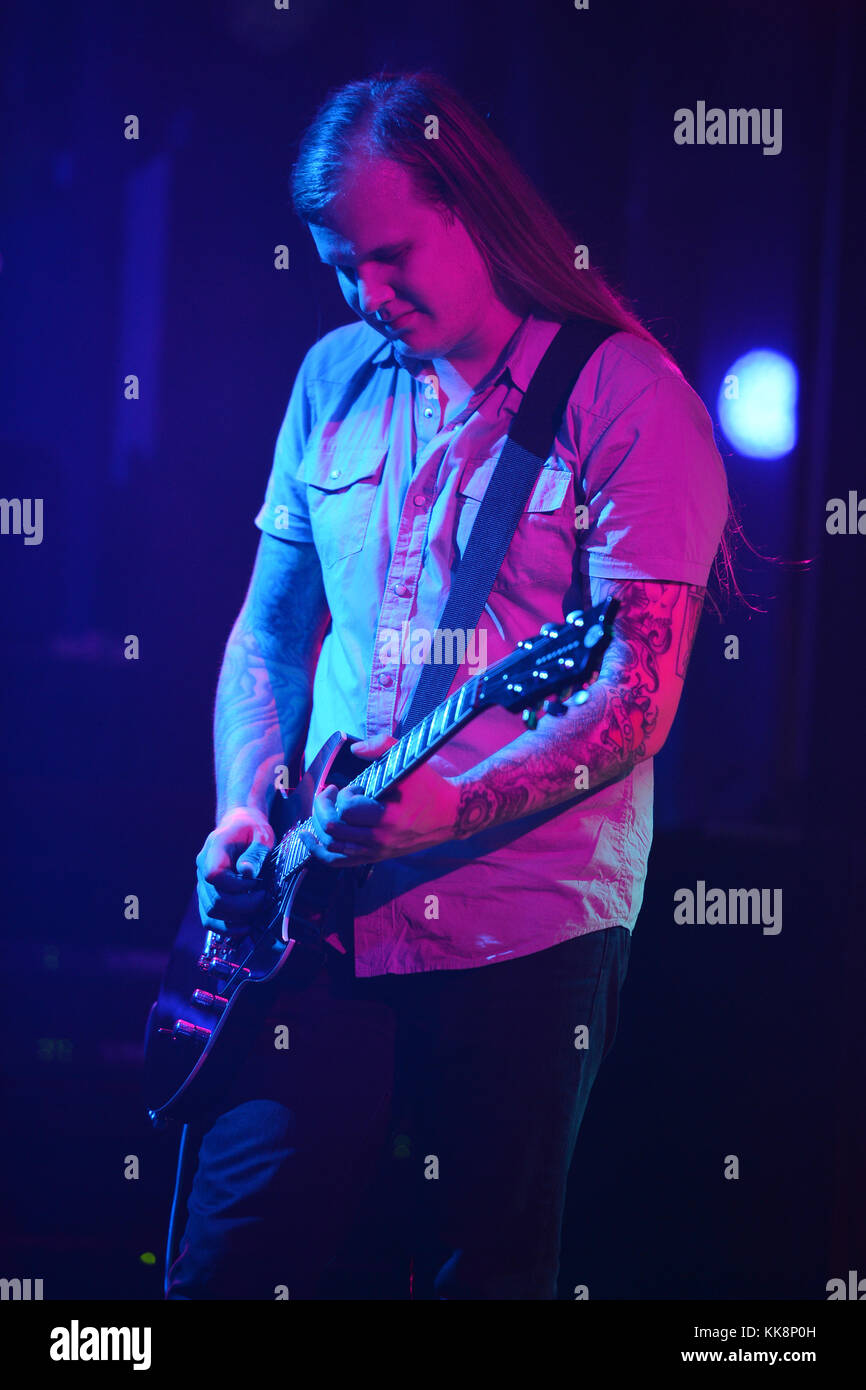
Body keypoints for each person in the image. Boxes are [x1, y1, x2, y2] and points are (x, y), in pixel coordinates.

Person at [166, 70, 729, 1300]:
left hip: (522, 929)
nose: (368, 296)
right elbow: (266, 635)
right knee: (215, 1273)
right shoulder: (330, 379)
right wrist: (242, 812)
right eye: (337, 267)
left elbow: (636, 696)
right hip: (311, 912)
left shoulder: (624, 396)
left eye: (390, 254)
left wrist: (450, 809)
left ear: (471, 208)